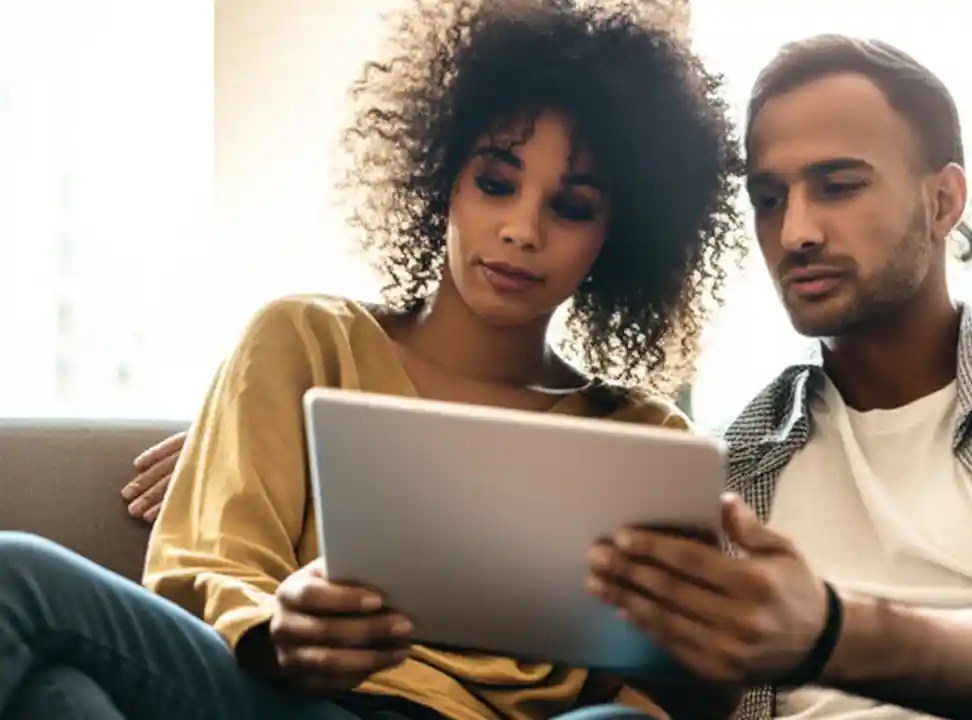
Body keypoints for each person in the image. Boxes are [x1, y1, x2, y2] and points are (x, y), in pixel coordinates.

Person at [0, 1, 744, 718]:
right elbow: (210, 566)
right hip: (293, 703)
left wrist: (702, 644)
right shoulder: (304, 342)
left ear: (620, 235)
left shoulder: (645, 437)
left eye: (572, 206)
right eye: (495, 181)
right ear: (443, 177)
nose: (522, 229)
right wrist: (280, 631)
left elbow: (677, 689)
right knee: (17, 584)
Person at [582, 36, 972, 720]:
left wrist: (826, 631)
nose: (795, 231)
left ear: (943, 202)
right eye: (769, 198)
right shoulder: (737, 453)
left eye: (839, 186)